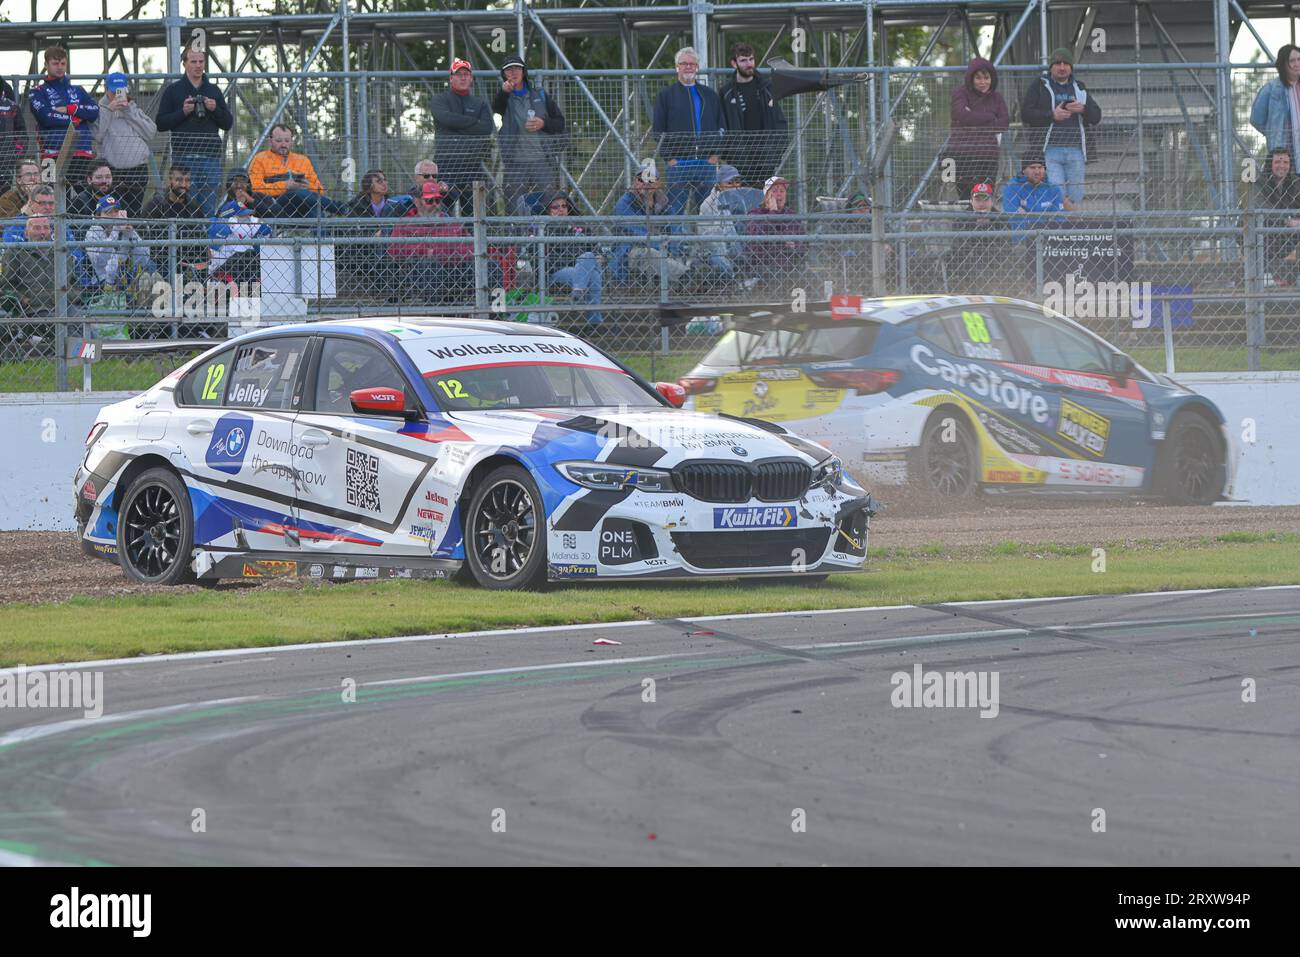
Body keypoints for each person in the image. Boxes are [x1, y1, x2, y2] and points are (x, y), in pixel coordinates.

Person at [388, 179, 500, 303]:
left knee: (492, 266)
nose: (435, 204)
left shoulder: (451, 222)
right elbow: (394, 250)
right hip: (421, 271)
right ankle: (436, 315)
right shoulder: (406, 223)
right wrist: (426, 250)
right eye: (430, 201)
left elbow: (469, 249)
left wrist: (436, 251)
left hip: (456, 268)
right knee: (431, 267)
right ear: (417, 202)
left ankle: (496, 313)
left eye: (438, 200)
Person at [155, 45, 233, 216]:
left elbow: (228, 123)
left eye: (201, 61)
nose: (198, 65)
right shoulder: (173, 90)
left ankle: (207, 241)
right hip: (184, 157)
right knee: (185, 206)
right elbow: (160, 123)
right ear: (184, 64)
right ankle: (188, 241)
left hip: (210, 158)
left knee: (209, 207)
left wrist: (215, 109)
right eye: (193, 61)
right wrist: (183, 112)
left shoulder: (213, 90)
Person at [1021, 48, 1101, 206]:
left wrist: (1083, 109)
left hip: (1076, 150)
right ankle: (1060, 226)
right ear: (1051, 67)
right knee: (1056, 194)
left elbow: (1096, 116)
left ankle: (1069, 227)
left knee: (1076, 195)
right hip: (1049, 150)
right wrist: (1051, 115)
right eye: (1058, 63)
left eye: (1066, 63)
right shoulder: (1039, 85)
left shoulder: (1080, 87)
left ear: (1071, 68)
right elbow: (1026, 114)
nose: (1062, 67)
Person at [653, 47, 726, 216]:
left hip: (706, 165)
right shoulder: (666, 95)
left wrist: (716, 155)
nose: (688, 67)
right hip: (678, 165)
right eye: (684, 63)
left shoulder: (709, 95)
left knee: (708, 213)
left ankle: (708, 243)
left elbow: (722, 127)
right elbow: (658, 130)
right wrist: (669, 158)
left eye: (692, 64)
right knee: (675, 212)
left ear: (697, 67)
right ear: (677, 67)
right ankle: (675, 243)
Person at [493, 58, 567, 216]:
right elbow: (495, 107)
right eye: (509, 69)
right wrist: (504, 92)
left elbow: (560, 123)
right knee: (514, 208)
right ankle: (516, 240)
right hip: (515, 162)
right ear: (504, 74)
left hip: (542, 161)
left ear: (523, 72)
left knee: (550, 203)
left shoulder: (540, 94)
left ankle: (549, 238)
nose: (513, 72)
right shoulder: (504, 97)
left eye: (517, 68)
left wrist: (543, 123)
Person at [29, 46, 100, 189]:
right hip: (52, 154)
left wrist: (71, 109)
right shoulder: (37, 92)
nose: (60, 67)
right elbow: (46, 117)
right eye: (55, 63)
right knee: (51, 199)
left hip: (81, 152)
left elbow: (94, 111)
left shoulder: (78, 90)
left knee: (82, 199)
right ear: (46, 65)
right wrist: (75, 119)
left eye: (63, 63)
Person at [719, 42, 788, 186]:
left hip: (767, 160)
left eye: (751, 59)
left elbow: (780, 122)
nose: (749, 64)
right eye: (743, 60)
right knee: (742, 204)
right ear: (734, 63)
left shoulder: (768, 88)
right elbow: (721, 125)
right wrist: (730, 155)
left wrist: (776, 153)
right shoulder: (726, 92)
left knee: (764, 204)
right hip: (739, 162)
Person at [430, 60, 494, 214]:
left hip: (472, 165)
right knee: (442, 211)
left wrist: (455, 126)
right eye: (458, 74)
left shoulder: (480, 103)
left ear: (471, 78)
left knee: (475, 214)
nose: (463, 78)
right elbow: (445, 118)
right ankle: (444, 239)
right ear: (451, 78)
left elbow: (486, 128)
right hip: (446, 164)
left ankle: (474, 239)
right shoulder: (439, 99)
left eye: (466, 74)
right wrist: (473, 122)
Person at [610, 160, 689, 283]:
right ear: (635, 181)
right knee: (650, 253)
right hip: (631, 251)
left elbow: (674, 227)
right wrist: (664, 248)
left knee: (686, 248)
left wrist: (673, 249)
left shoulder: (663, 201)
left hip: (663, 247)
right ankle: (685, 277)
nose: (646, 183)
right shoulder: (624, 204)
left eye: (650, 180)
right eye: (641, 180)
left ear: (658, 183)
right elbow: (641, 236)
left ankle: (682, 277)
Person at [91, 72, 155, 216]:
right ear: (107, 90)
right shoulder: (100, 109)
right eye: (114, 92)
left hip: (138, 169)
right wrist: (109, 110)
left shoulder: (131, 107)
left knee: (134, 214)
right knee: (114, 212)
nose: (117, 95)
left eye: (120, 91)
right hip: (114, 171)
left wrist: (128, 111)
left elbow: (150, 132)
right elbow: (97, 135)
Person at [247, 124, 344, 218]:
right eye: (279, 141)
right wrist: (286, 186)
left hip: (302, 206)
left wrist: (308, 186)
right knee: (296, 192)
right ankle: (340, 208)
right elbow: (257, 189)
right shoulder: (260, 159)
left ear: (292, 141)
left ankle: (329, 233)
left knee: (314, 210)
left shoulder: (302, 160)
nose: (283, 144)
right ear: (270, 141)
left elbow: (320, 190)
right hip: (276, 206)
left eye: (287, 140)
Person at [537, 190, 603, 324]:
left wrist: (600, 256)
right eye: (555, 207)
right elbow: (545, 261)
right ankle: (595, 322)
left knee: (588, 257)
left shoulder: (580, 226)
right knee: (594, 276)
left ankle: (578, 290)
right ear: (548, 210)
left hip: (582, 268)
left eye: (564, 206)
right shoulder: (544, 229)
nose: (561, 210)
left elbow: (597, 250)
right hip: (557, 271)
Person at [947, 57, 1008, 199]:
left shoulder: (997, 98)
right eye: (978, 78)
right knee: (966, 199)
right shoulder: (960, 93)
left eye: (986, 78)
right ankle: (965, 222)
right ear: (971, 78)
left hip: (988, 157)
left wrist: (971, 117)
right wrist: (990, 118)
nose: (983, 82)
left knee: (985, 198)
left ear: (992, 79)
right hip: (962, 156)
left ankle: (985, 222)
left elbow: (1004, 123)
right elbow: (960, 114)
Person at [84, 194, 161, 305]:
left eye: (116, 211)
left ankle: (146, 314)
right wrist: (116, 231)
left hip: (129, 276)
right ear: (98, 215)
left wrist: (131, 233)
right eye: (108, 212)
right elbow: (100, 261)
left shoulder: (124, 227)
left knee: (153, 274)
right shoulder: (92, 232)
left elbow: (144, 257)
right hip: (104, 281)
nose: (113, 216)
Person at [944, 181, 1019, 293]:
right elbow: (958, 247)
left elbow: (1006, 246)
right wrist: (976, 226)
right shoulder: (961, 219)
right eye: (978, 200)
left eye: (986, 199)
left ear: (992, 201)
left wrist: (988, 226)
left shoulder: (1001, 218)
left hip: (995, 260)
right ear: (971, 201)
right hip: (968, 261)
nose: (982, 204)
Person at [344, 168, 406, 297]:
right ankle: (383, 292)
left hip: (389, 246)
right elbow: (352, 232)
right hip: (364, 249)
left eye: (385, 180)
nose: (384, 184)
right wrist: (373, 235)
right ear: (369, 186)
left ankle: (389, 293)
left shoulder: (394, 204)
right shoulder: (357, 205)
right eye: (379, 181)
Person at [140, 164, 208, 268]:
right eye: (179, 180)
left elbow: (203, 237)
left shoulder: (194, 207)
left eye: (187, 180)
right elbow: (143, 236)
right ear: (169, 181)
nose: (183, 184)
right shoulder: (155, 205)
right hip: (160, 262)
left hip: (189, 262)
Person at [743, 175, 805, 281]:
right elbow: (759, 237)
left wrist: (794, 245)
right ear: (767, 195)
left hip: (790, 265)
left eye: (782, 191)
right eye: (775, 191)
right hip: (763, 266)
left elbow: (803, 241)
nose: (779, 194)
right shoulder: (755, 213)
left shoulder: (791, 214)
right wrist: (773, 213)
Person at [1253, 146, 1300, 284]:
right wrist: (1288, 221)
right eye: (1278, 162)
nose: (1282, 166)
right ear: (1270, 164)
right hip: (1263, 232)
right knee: (1259, 226)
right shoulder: (1259, 182)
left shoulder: (1295, 182)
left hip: (1286, 235)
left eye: (1285, 162)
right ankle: (1263, 275)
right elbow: (1260, 207)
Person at [696, 164, 748, 282]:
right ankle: (737, 282)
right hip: (715, 248)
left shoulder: (742, 200)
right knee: (723, 265)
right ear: (719, 185)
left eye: (737, 182)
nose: (735, 186)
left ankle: (743, 279)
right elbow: (704, 235)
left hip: (740, 247)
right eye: (729, 183)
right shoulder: (708, 203)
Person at [1250, 45, 1300, 159]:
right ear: (1283, 64)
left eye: (1299, 59)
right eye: (1292, 61)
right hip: (1283, 155)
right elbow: (1256, 119)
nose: (1297, 64)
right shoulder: (1271, 88)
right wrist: (1274, 132)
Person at [1002, 154, 1069, 237]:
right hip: (1022, 238)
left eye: (1040, 167)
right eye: (1032, 168)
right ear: (1024, 170)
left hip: (1047, 238)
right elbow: (1013, 213)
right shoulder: (1012, 187)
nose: (1037, 172)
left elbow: (1059, 217)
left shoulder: (1053, 189)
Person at [207, 197, 270, 285]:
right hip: (221, 276)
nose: (249, 218)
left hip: (238, 273)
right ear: (229, 219)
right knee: (247, 256)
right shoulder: (221, 228)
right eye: (243, 216)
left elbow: (266, 230)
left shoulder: (246, 232)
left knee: (251, 256)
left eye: (247, 215)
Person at [0, 77, 27, 188]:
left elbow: (22, 134)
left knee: (3, 197)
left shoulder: (11, 107)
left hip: (5, 164)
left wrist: (13, 156)